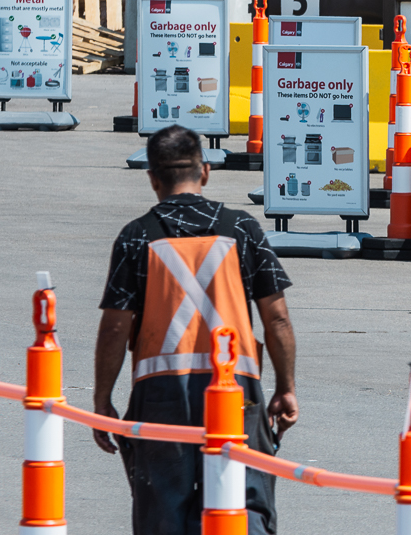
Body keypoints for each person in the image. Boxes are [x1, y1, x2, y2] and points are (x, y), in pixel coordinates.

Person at [93, 125, 298, 535]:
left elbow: (116, 328)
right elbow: (276, 319)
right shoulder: (243, 230)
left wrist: (102, 399)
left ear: (153, 178)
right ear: (205, 171)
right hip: (237, 390)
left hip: (161, 395)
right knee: (243, 502)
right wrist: (285, 386)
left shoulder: (136, 237)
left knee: (163, 512)